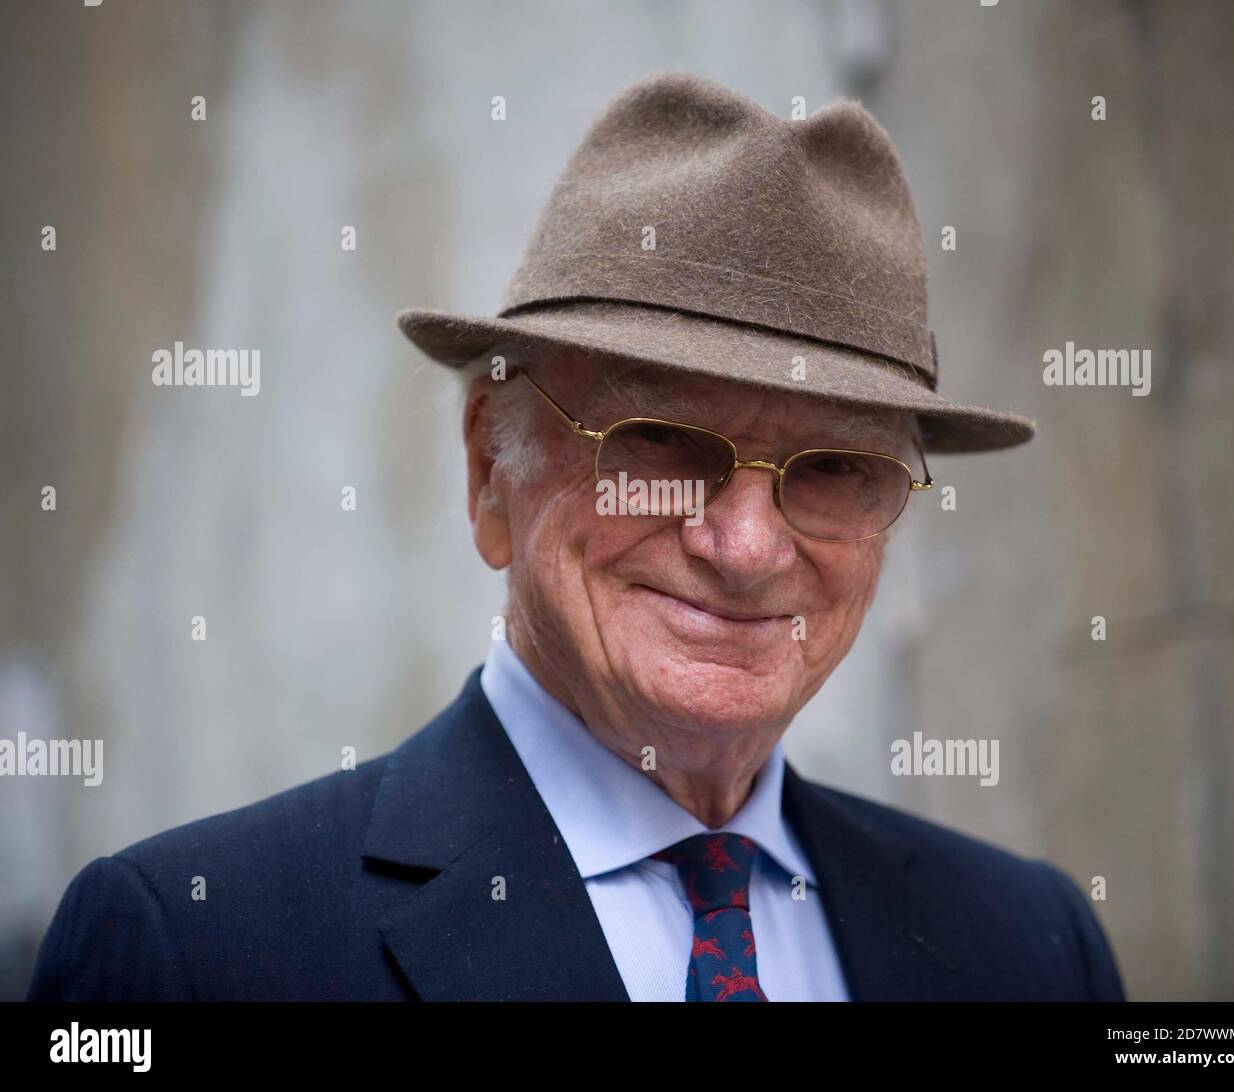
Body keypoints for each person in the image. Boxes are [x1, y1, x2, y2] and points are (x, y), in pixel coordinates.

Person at [28, 72, 1124, 1002]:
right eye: (659, 443)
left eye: (835, 468)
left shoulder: (1028, 947)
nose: (744, 547)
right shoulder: (198, 948)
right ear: (488, 473)